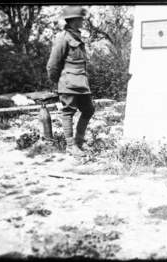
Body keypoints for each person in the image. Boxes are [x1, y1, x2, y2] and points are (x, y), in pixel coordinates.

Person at [46, 6, 95, 157]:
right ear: (73, 20)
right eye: (80, 18)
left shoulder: (78, 36)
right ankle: (70, 146)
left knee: (89, 110)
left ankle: (79, 143)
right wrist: (58, 82)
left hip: (81, 82)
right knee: (68, 112)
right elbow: (53, 64)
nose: (82, 21)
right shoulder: (63, 37)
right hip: (68, 83)